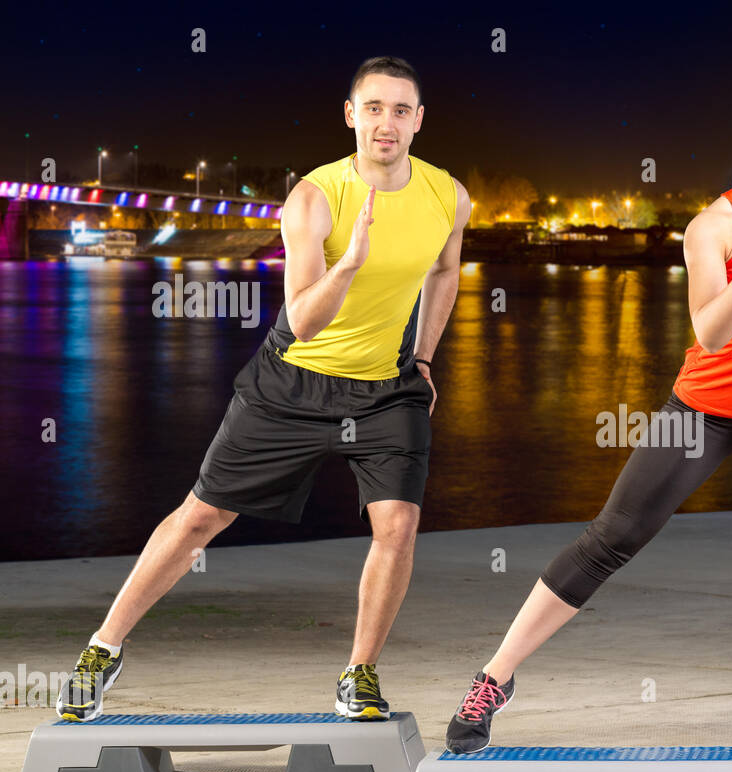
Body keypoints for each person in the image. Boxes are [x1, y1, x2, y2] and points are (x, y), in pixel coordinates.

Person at [445, 72, 732, 757]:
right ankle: (493, 680)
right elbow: (711, 332)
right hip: (706, 406)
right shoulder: (716, 224)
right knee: (610, 538)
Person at [56, 56, 470, 722]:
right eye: (373, 108)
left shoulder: (448, 195)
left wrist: (422, 357)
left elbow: (445, 271)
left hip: (385, 387)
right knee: (202, 516)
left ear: (419, 121)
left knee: (398, 525)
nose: (385, 123)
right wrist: (352, 264)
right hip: (294, 380)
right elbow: (303, 319)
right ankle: (103, 649)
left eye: (400, 110)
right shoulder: (314, 197)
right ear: (350, 115)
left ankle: (358, 674)